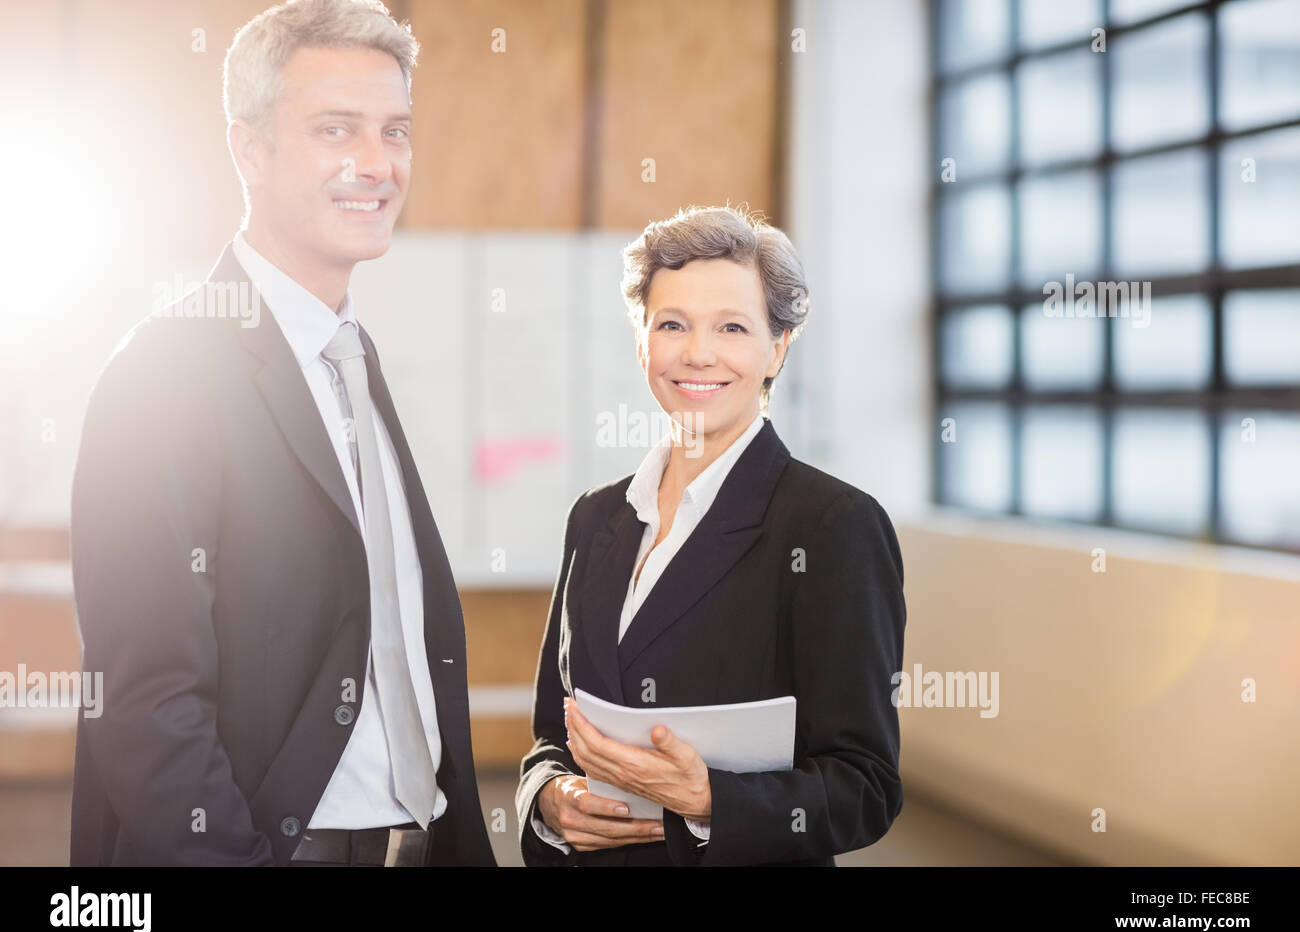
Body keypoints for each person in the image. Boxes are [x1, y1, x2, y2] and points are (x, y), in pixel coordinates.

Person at [68, 0, 495, 866]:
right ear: (249, 150)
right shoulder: (165, 374)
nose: (376, 165)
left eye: (396, 130)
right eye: (336, 130)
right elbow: (146, 705)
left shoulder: (353, 357)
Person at [515, 205, 907, 866]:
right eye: (672, 324)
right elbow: (553, 734)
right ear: (642, 340)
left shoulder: (832, 526)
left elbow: (864, 787)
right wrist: (548, 800)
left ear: (777, 346)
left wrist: (712, 801)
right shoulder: (595, 517)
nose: (698, 353)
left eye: (732, 326)